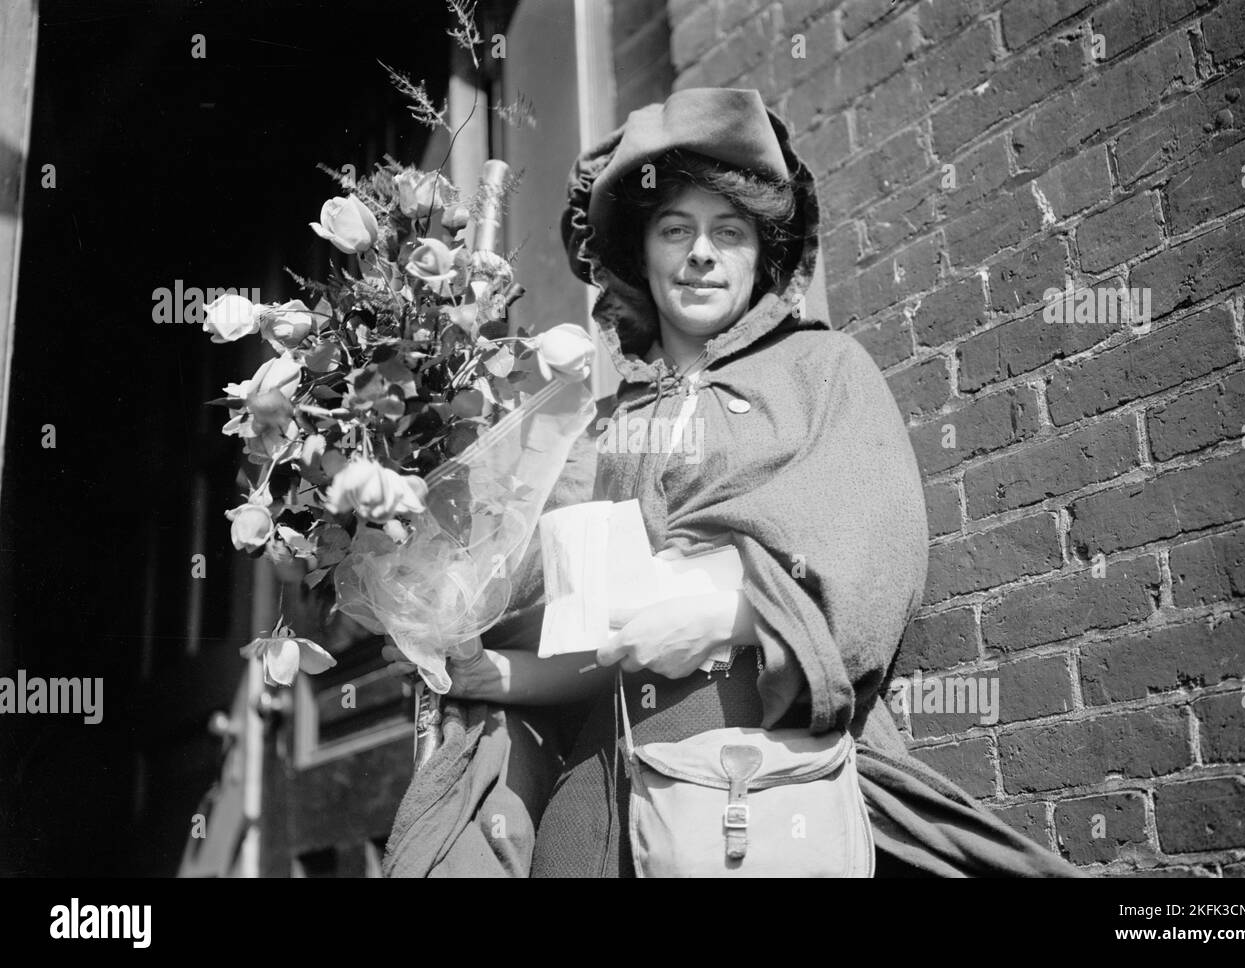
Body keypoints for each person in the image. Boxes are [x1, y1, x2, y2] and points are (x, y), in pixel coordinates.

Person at [396, 87, 1085, 877]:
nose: (700, 253)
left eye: (729, 231)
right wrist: (497, 670)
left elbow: (869, 572)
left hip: (764, 793)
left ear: (766, 254)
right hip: (599, 813)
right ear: (638, 253)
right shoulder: (600, 428)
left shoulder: (824, 373)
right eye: (674, 228)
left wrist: (722, 614)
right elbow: (597, 645)